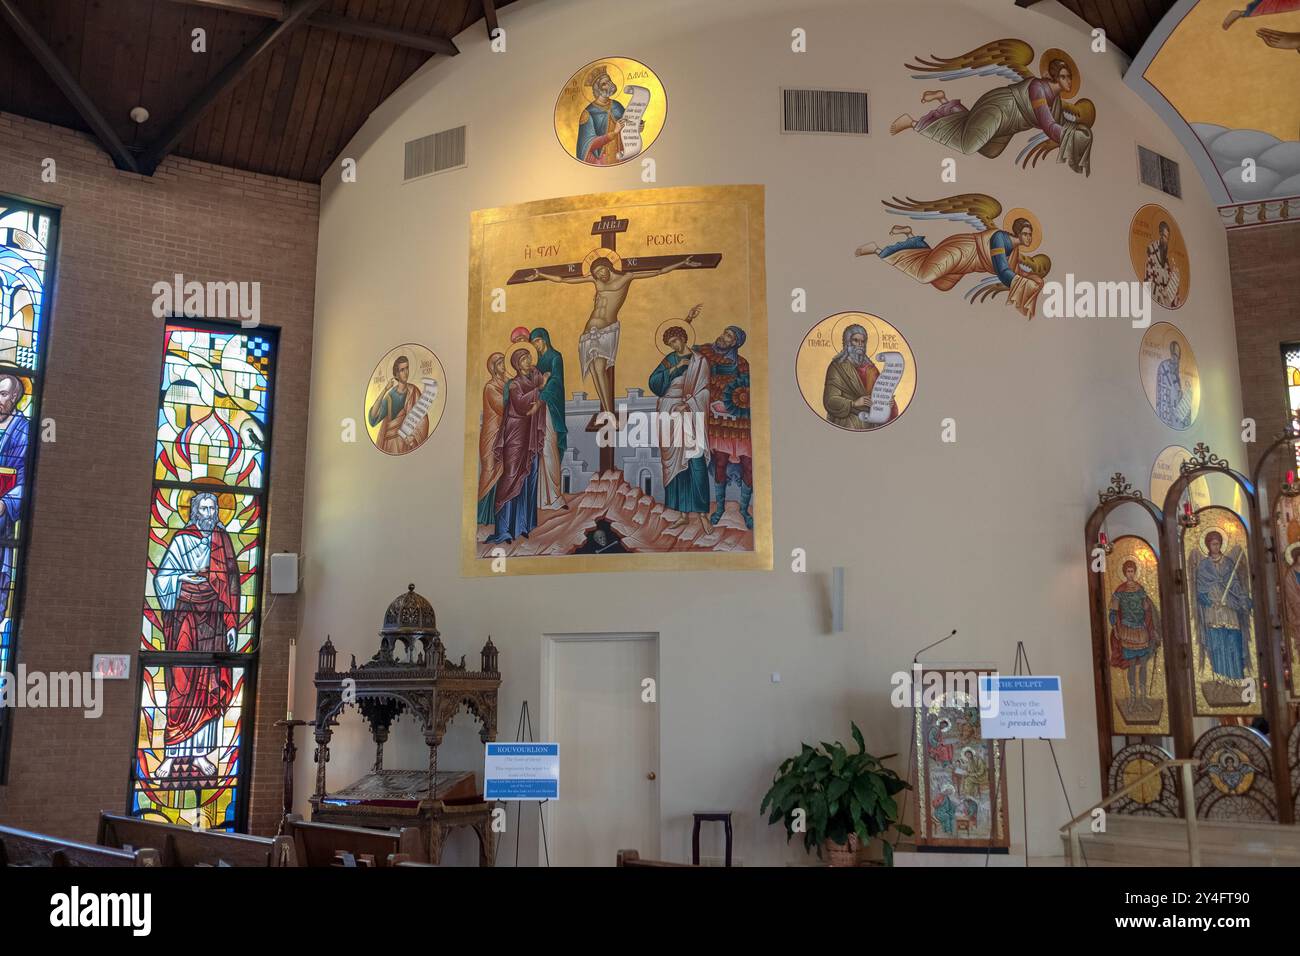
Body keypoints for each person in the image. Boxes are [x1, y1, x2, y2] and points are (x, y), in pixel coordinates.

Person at [527, 256, 702, 417]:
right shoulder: (595, 281)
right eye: (595, 273)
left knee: (600, 369)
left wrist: (683, 263)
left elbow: (658, 271)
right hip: (589, 332)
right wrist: (540, 274)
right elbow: (564, 280)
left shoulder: (626, 277)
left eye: (600, 271)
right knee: (594, 371)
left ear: (607, 267)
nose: (599, 276)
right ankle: (606, 411)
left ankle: (610, 412)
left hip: (606, 330)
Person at [153, 492, 238, 779]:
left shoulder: (223, 542)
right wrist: (182, 578)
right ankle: (172, 752)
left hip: (213, 616)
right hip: (185, 615)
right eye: (202, 507)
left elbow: (232, 585)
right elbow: (161, 577)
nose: (208, 511)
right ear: (194, 511)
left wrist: (231, 623)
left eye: (212, 507)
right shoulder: (181, 540)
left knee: (208, 682)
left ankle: (201, 753)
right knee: (181, 681)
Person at [891, 57, 1090, 173]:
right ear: (1054, 77)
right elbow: (1048, 124)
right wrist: (1068, 135)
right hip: (999, 109)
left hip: (1009, 126)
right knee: (968, 146)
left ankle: (944, 102)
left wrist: (1080, 134)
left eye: (1069, 77)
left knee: (989, 151)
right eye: (1064, 76)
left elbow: (1061, 123)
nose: (1068, 81)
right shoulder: (1039, 88)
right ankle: (914, 123)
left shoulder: (1054, 102)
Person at [648, 323, 711, 533]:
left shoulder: (699, 360)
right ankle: (683, 514)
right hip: (669, 411)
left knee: (696, 460)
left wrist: (689, 404)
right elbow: (654, 383)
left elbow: (704, 390)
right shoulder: (669, 360)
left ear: (683, 338)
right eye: (669, 343)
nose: (673, 346)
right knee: (676, 465)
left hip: (691, 412)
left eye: (675, 341)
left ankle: (702, 514)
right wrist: (674, 369)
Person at [694, 325, 754, 529]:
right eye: (724, 333)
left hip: (740, 421)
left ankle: (744, 510)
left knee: (748, 465)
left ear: (735, 343)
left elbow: (747, 387)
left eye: (729, 336)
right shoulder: (705, 353)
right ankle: (719, 508)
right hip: (718, 421)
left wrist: (738, 401)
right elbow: (686, 351)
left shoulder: (742, 363)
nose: (723, 337)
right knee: (720, 462)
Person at [486, 349, 546, 544]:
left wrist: (540, 390)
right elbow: (520, 404)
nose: (529, 360)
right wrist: (538, 393)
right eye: (524, 358)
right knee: (511, 477)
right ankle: (503, 529)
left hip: (529, 436)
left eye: (529, 357)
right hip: (515, 434)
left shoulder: (533, 378)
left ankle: (522, 526)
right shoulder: (514, 385)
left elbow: (541, 380)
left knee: (529, 476)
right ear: (517, 364)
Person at [1193, 531, 1252, 682]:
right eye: (1213, 544)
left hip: (1229, 608)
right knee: (1217, 641)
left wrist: (1241, 599)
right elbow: (1199, 591)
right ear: (1208, 545)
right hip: (1213, 610)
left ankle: (1237, 675)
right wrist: (1211, 602)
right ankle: (1221, 676)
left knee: (1233, 639)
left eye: (1218, 543)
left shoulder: (1228, 563)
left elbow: (1236, 584)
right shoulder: (1204, 566)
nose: (1216, 546)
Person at [821, 323, 898, 429]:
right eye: (856, 340)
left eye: (863, 341)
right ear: (847, 343)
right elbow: (830, 400)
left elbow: (882, 392)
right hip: (848, 420)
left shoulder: (871, 368)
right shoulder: (837, 367)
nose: (860, 344)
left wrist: (887, 402)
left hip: (872, 419)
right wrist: (853, 403)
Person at [0, 374, 29, 651]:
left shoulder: (23, 430)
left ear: (15, 399)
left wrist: (6, 503)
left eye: (4, 395)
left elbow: (26, 480)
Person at [1108, 560, 1161, 704]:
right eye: (1128, 571)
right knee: (1131, 665)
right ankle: (1133, 699)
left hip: (1141, 631)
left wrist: (1147, 609)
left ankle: (1143, 699)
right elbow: (1113, 612)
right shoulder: (1119, 592)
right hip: (1127, 631)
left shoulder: (1140, 589)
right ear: (1124, 573)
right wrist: (1115, 628)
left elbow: (1147, 609)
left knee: (1143, 664)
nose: (1130, 574)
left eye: (1132, 571)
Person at [529, 328, 568, 511]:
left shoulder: (555, 357)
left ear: (545, 339)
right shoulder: (537, 363)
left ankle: (556, 496)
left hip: (550, 408)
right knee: (540, 450)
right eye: (533, 343)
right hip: (537, 409)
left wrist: (543, 393)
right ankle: (542, 499)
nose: (536, 345)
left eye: (537, 340)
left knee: (549, 449)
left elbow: (557, 382)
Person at [367, 354, 429, 454]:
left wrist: (414, 436)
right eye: (402, 370)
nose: (406, 372)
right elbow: (372, 419)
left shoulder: (414, 391)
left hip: (407, 442)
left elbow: (423, 418)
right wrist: (385, 389)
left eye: (407, 368)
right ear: (396, 374)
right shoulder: (390, 396)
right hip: (390, 444)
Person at [476, 353, 506, 525]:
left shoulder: (505, 383)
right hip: (492, 434)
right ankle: (482, 515)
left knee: (502, 471)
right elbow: (504, 406)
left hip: (503, 434)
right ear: (493, 368)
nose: (503, 366)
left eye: (504, 362)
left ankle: (497, 514)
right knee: (489, 470)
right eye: (500, 363)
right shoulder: (490, 387)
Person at [1144, 221, 1181, 309]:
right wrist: (1161, 291)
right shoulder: (1152, 252)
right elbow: (1149, 281)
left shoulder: (1165, 259)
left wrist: (1174, 278)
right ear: (1160, 235)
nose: (1166, 241)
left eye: (1167, 238)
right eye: (1164, 237)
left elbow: (1168, 279)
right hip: (1156, 295)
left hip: (1165, 297)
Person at [1155, 341, 1191, 428]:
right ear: (1171, 353)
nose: (1176, 359)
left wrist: (1186, 393)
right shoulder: (1164, 367)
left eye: (1178, 356)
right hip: (1169, 414)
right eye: (1175, 355)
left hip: (1177, 416)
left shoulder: (1177, 373)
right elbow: (1165, 391)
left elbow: (1178, 393)